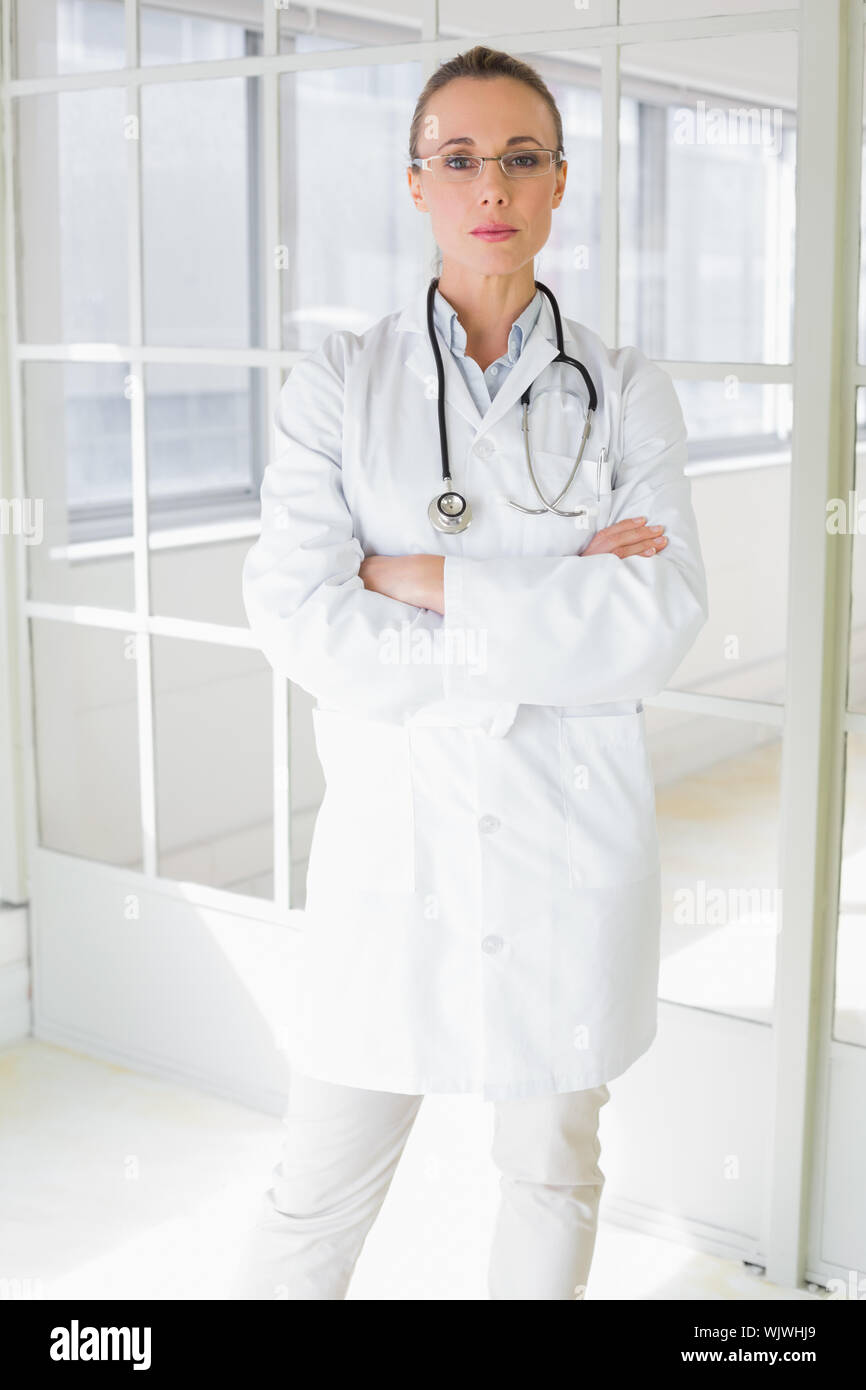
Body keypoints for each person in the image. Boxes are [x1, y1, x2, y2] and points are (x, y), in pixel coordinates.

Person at [233, 44, 708, 1300]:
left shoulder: (624, 391)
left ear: (558, 184)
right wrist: (557, 595)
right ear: (415, 185)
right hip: (394, 855)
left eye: (518, 157)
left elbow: (653, 623)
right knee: (315, 1192)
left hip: (570, 851)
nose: (488, 183)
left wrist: (418, 576)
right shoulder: (339, 381)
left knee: (551, 1169)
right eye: (457, 158)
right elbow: (296, 615)